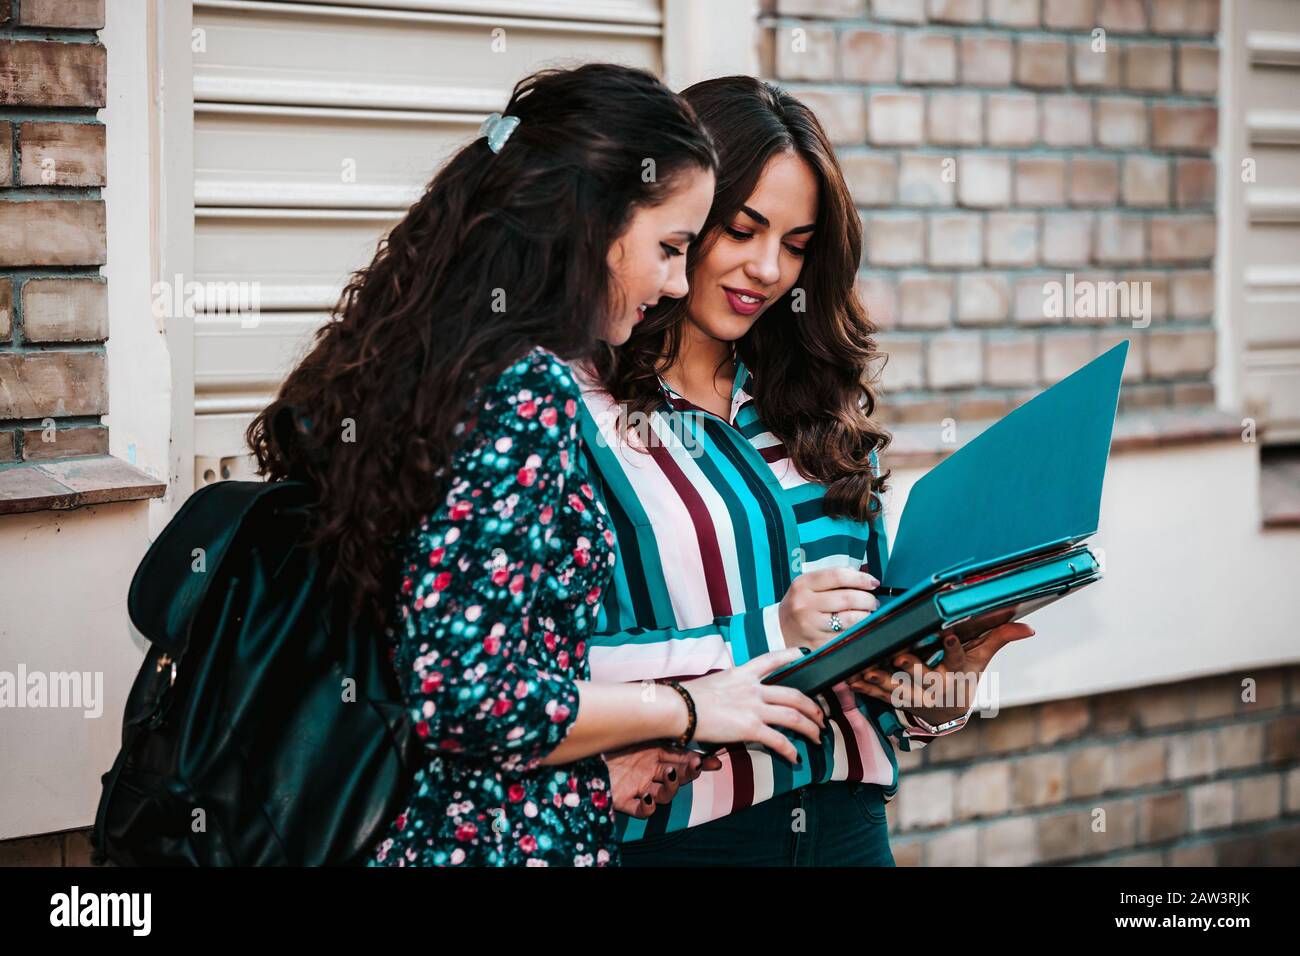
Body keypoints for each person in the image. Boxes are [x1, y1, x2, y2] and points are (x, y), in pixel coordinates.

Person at [245, 65, 824, 868]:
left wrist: (591, 782)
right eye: (668, 247)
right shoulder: (526, 388)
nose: (676, 282)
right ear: (589, 223)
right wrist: (688, 707)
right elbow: (470, 698)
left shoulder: (427, 364)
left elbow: (437, 677)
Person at [576, 75, 1035, 866]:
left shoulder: (814, 411)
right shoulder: (579, 409)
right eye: (742, 230)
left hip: (849, 830)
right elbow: (537, 670)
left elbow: (880, 667)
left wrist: (941, 687)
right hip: (685, 841)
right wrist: (769, 632)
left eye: (795, 245)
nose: (766, 269)